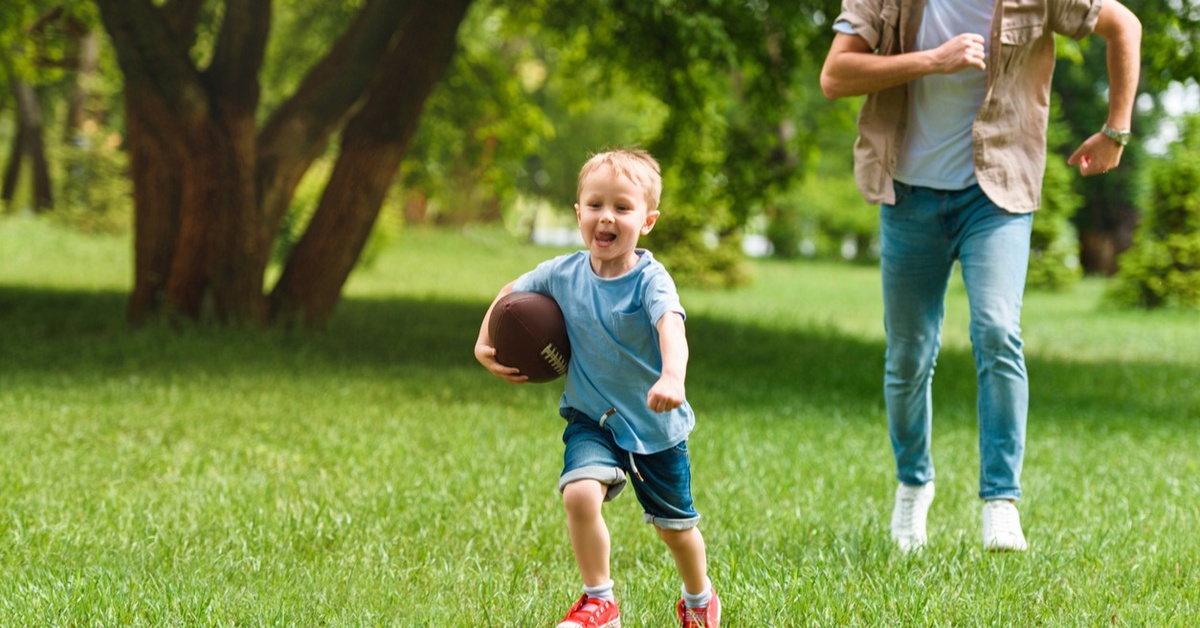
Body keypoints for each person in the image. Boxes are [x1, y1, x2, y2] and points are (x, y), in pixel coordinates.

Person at [819, 0, 1141, 552]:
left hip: (995, 194)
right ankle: (914, 485)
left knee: (996, 329)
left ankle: (1000, 502)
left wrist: (1116, 128)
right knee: (909, 356)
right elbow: (835, 75)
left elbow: (1124, 24)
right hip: (908, 195)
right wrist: (931, 60)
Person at [475, 148, 720, 627]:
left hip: (655, 425)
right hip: (593, 418)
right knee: (579, 494)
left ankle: (699, 599)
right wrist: (484, 342)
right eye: (595, 205)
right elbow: (508, 295)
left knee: (676, 529)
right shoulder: (561, 273)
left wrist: (673, 376)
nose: (606, 217)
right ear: (578, 212)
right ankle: (599, 601)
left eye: (622, 208)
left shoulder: (651, 280)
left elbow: (672, 328)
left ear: (647, 221)